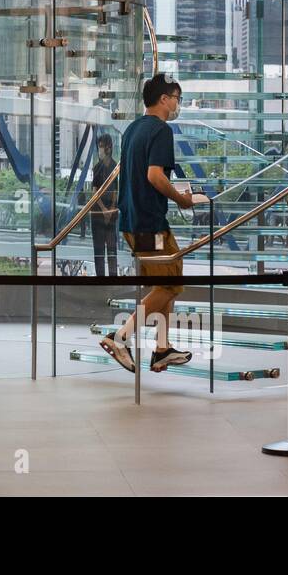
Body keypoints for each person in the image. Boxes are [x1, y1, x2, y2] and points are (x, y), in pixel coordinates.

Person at [99, 73, 195, 374]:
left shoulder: (132, 130)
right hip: (149, 223)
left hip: (133, 219)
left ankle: (162, 349)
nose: (177, 103)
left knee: (167, 282)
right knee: (170, 284)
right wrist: (181, 199)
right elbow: (155, 176)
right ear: (164, 99)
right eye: (176, 97)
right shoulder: (161, 130)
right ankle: (120, 337)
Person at [89, 134, 119, 278]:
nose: (99, 150)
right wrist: (105, 210)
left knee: (112, 248)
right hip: (98, 214)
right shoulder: (97, 167)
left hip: (110, 213)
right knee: (99, 249)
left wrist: (110, 209)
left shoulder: (114, 166)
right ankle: (100, 278)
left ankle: (113, 276)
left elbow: (115, 190)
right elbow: (95, 193)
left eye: (101, 146)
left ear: (108, 148)